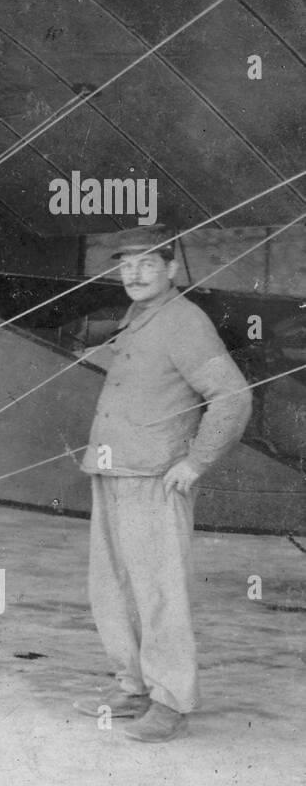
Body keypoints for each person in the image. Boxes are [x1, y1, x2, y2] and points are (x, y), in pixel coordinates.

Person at [73, 224, 252, 742]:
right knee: (113, 588)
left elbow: (233, 396)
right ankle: (133, 687)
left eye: (147, 263)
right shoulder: (140, 315)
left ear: (172, 269)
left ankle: (170, 701)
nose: (134, 274)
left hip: (154, 478)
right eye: (126, 264)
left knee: (158, 592)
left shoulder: (184, 321)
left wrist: (196, 463)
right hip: (113, 469)